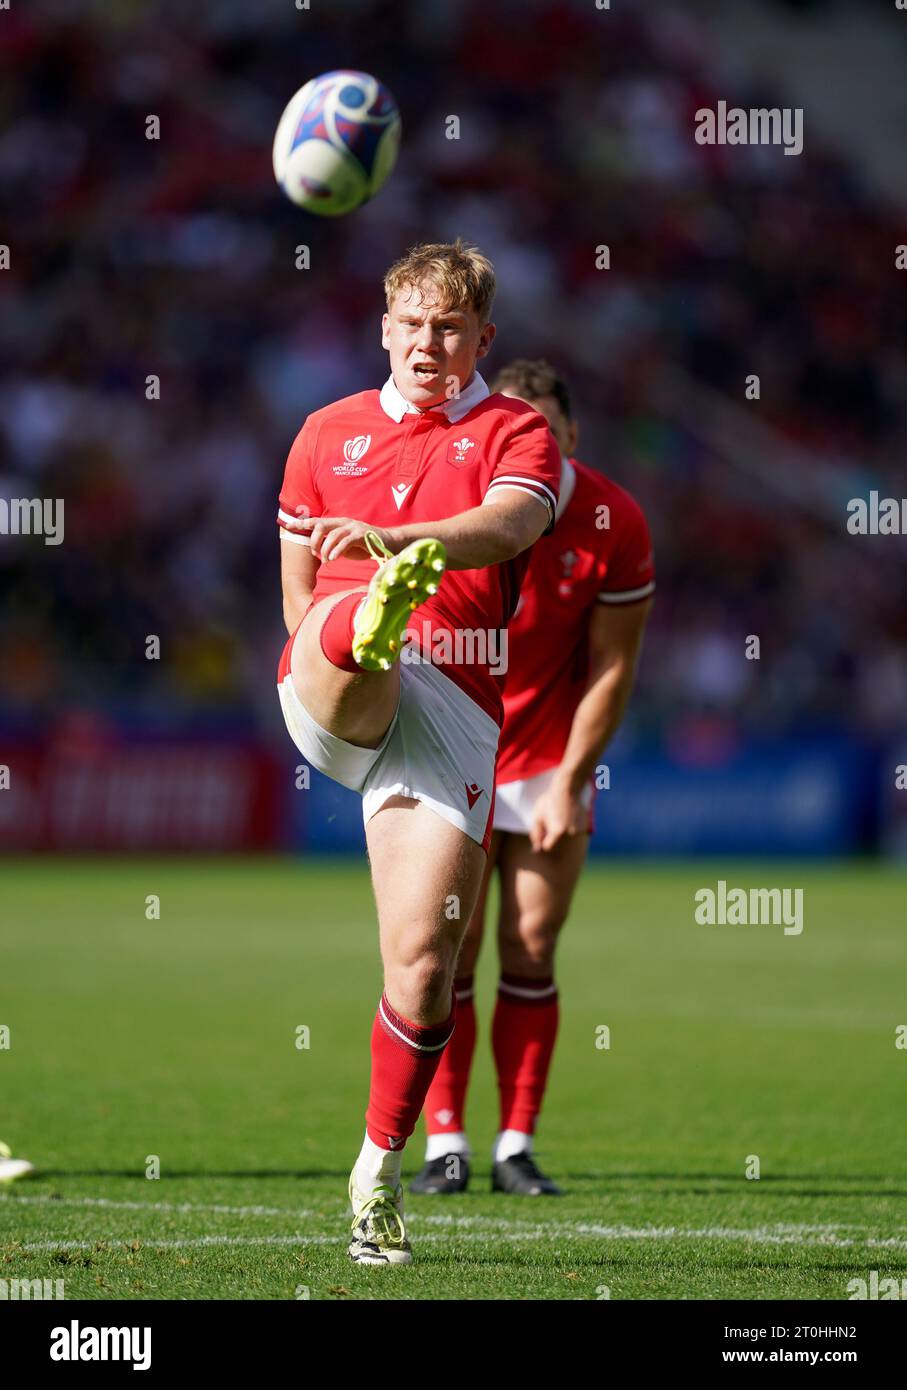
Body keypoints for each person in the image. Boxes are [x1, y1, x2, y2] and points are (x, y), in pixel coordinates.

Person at [277, 245, 561, 1262]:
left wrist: (411, 544)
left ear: (483, 338)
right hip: (335, 678)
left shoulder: (516, 430)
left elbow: (507, 523)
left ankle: (374, 1172)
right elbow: (294, 593)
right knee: (347, 618)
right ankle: (374, 629)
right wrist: (349, 625)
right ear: (383, 327)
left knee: (426, 966)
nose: (429, 343)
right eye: (411, 322)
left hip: (452, 710)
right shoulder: (324, 434)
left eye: (450, 326)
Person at [411, 359, 654, 1196]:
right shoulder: (458, 507)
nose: (531, 448)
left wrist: (569, 780)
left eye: (545, 432)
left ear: (572, 435)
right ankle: (446, 1143)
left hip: (552, 760)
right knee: (448, 952)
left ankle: (514, 1145)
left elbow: (612, 671)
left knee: (530, 946)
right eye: (516, 434)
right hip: (456, 751)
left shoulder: (612, 519)